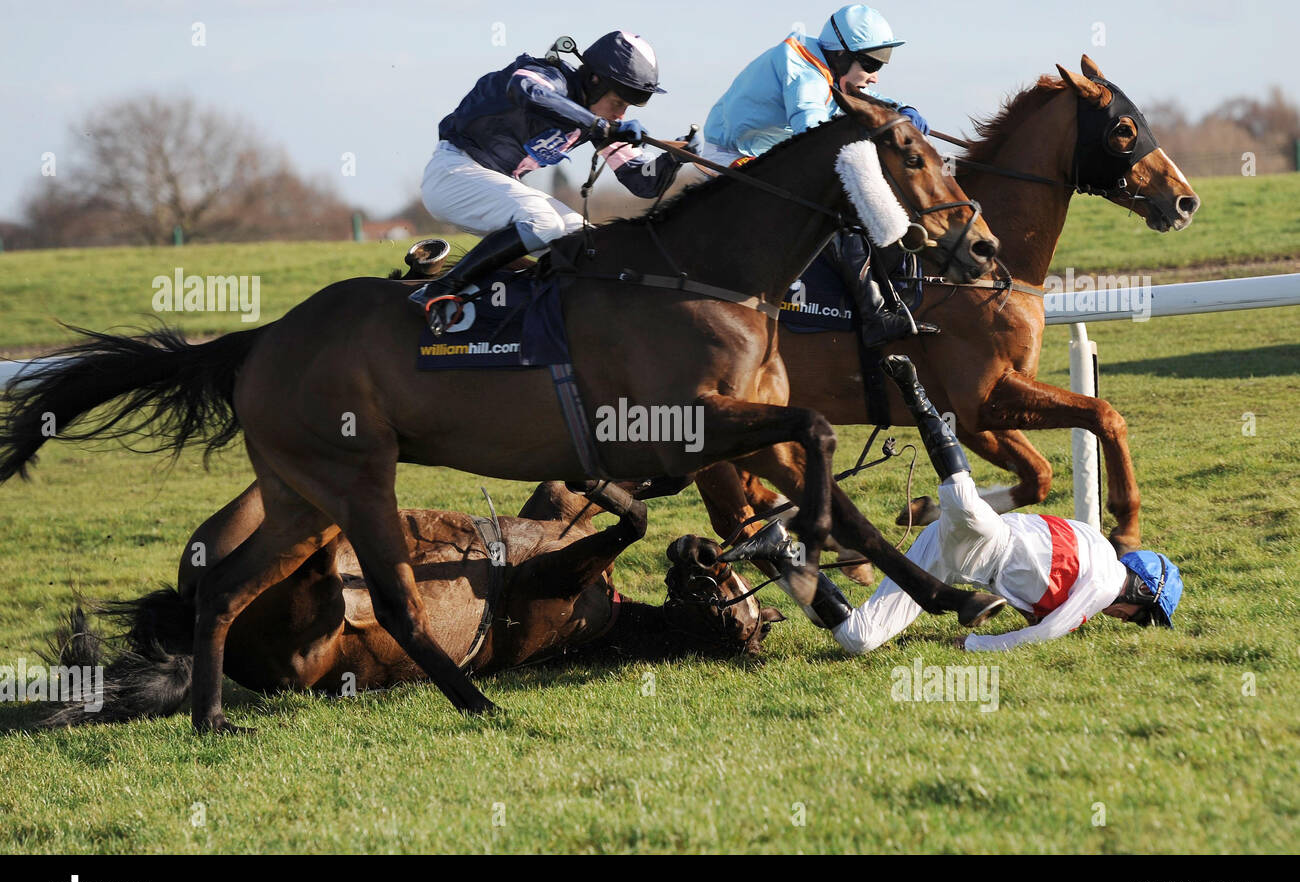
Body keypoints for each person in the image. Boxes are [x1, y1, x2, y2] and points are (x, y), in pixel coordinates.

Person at [740, 355, 1183, 651]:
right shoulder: (1102, 586)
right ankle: (917, 395)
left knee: (860, 638)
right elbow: (1045, 632)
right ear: (1140, 589)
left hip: (952, 558)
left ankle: (781, 552)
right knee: (966, 504)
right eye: (1139, 616)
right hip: (987, 540)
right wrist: (976, 645)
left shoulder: (1094, 543)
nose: (1126, 621)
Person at [696, 5, 933, 346]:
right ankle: (873, 314)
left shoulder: (827, 68)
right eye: (870, 64)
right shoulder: (802, 71)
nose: (876, 75)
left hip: (767, 155)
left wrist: (900, 111)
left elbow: (860, 98)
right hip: (732, 157)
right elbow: (818, 136)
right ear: (839, 55)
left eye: (880, 64)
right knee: (837, 202)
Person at [409, 31, 689, 313]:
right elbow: (524, 89)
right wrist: (601, 127)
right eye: (618, 103)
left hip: (494, 182)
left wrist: (676, 158)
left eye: (626, 108)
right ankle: (438, 291)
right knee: (543, 221)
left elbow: (643, 182)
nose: (621, 115)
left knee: (591, 246)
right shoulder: (550, 77)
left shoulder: (597, 119)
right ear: (594, 81)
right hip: (453, 172)